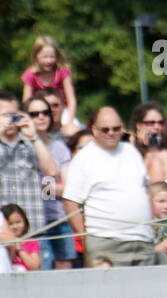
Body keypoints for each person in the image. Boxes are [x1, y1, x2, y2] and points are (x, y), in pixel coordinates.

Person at [62, 107, 155, 266]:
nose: (111, 133)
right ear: (94, 130)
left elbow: (146, 189)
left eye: (116, 128)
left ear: (122, 127)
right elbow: (70, 202)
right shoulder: (84, 158)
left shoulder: (131, 151)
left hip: (142, 239)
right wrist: (86, 237)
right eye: (105, 129)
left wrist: (151, 224)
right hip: (105, 242)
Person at [0, 91, 57, 242]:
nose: (10, 120)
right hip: (2, 233)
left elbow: (51, 172)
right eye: (5, 116)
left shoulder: (32, 142)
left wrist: (34, 137)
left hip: (34, 230)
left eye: (14, 115)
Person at [25, 95, 75, 270]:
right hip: (33, 222)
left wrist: (46, 187)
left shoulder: (59, 147)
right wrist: (51, 187)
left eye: (45, 112)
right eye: (35, 113)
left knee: (66, 273)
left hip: (59, 218)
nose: (41, 117)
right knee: (42, 271)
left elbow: (70, 189)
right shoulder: (21, 147)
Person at [20, 36, 77, 123]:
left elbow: (71, 100)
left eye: (52, 57)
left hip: (61, 111)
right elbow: (26, 102)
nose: (49, 61)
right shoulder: (31, 74)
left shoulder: (62, 72)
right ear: (36, 57)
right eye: (45, 57)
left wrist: (70, 121)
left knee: (72, 128)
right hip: (40, 112)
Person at [2, 203, 41, 271]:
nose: (15, 227)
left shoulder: (31, 242)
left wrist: (19, 248)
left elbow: (35, 266)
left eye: (18, 222)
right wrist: (11, 247)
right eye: (10, 224)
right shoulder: (3, 245)